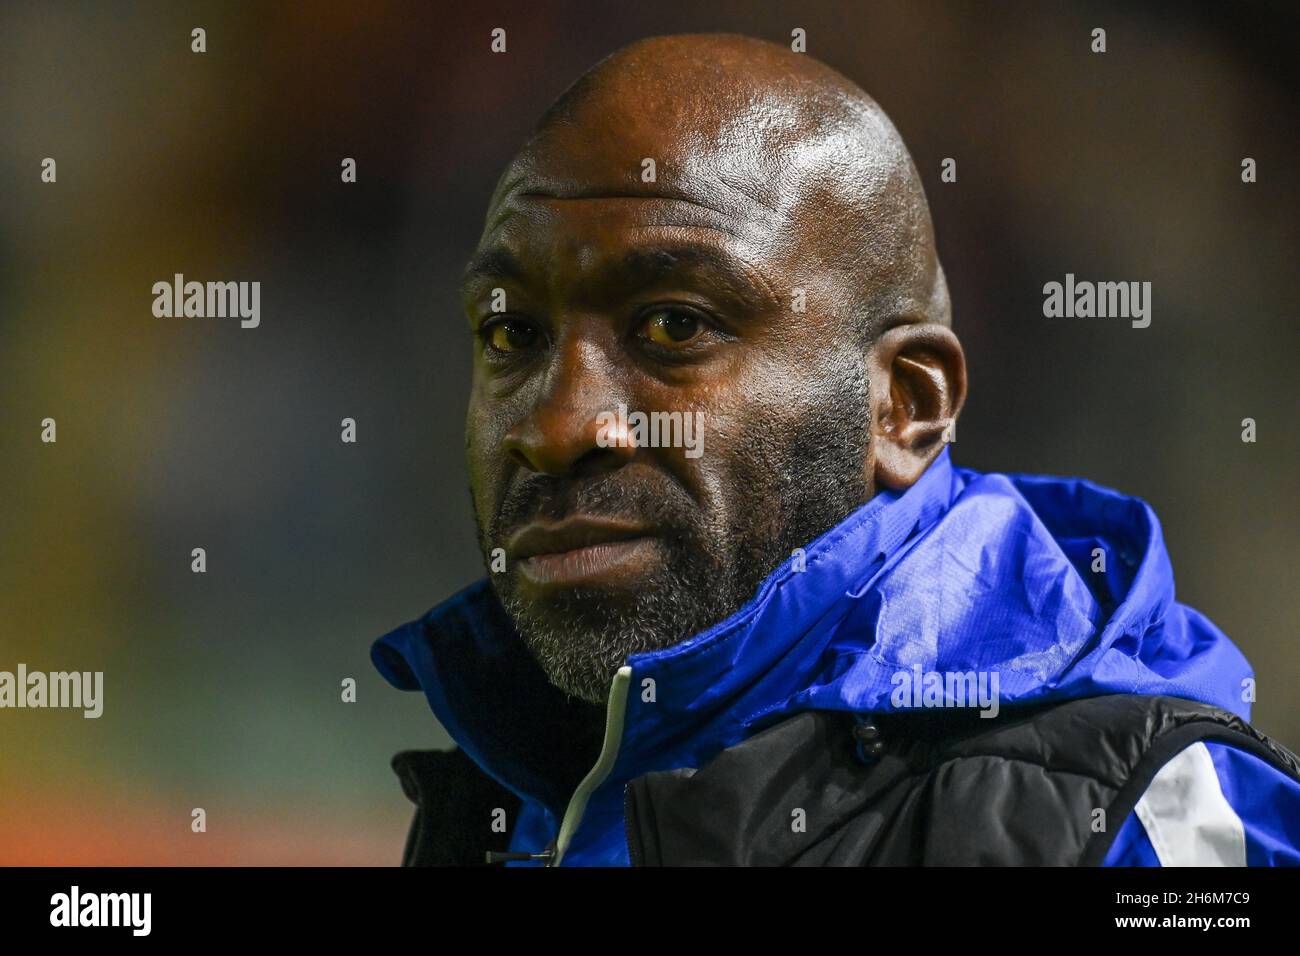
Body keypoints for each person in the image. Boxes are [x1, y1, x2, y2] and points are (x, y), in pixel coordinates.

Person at [371, 33, 1300, 866]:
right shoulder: (516, 780)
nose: (558, 426)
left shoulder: (1135, 828)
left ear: (904, 406)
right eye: (512, 335)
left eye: (672, 325)